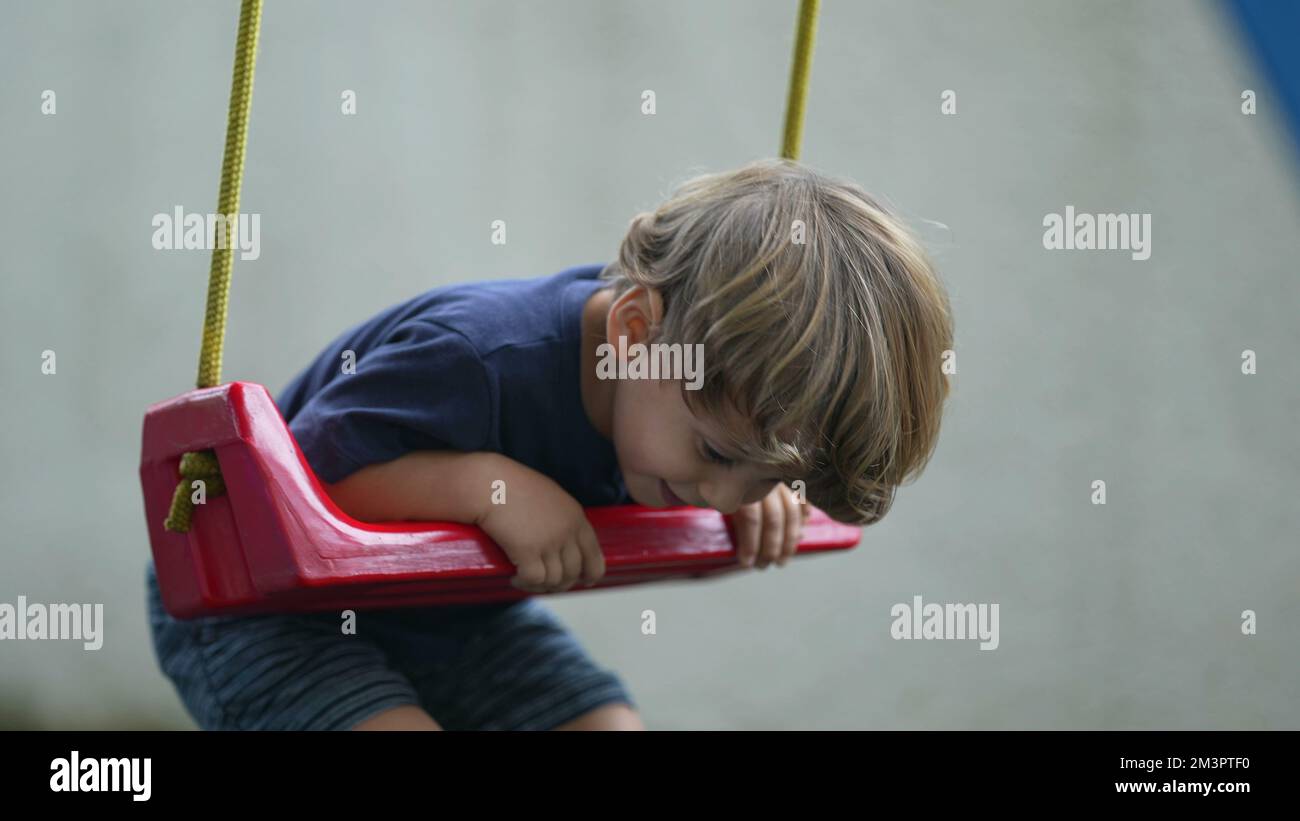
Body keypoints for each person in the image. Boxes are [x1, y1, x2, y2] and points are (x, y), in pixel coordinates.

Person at [146, 157, 955, 730]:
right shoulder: (476, 357)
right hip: (262, 610)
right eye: (715, 455)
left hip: (449, 616)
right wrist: (488, 487)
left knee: (607, 723)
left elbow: (735, 461)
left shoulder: (688, 387)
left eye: (766, 477)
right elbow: (296, 493)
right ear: (636, 332)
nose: (721, 497)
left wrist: (761, 479)